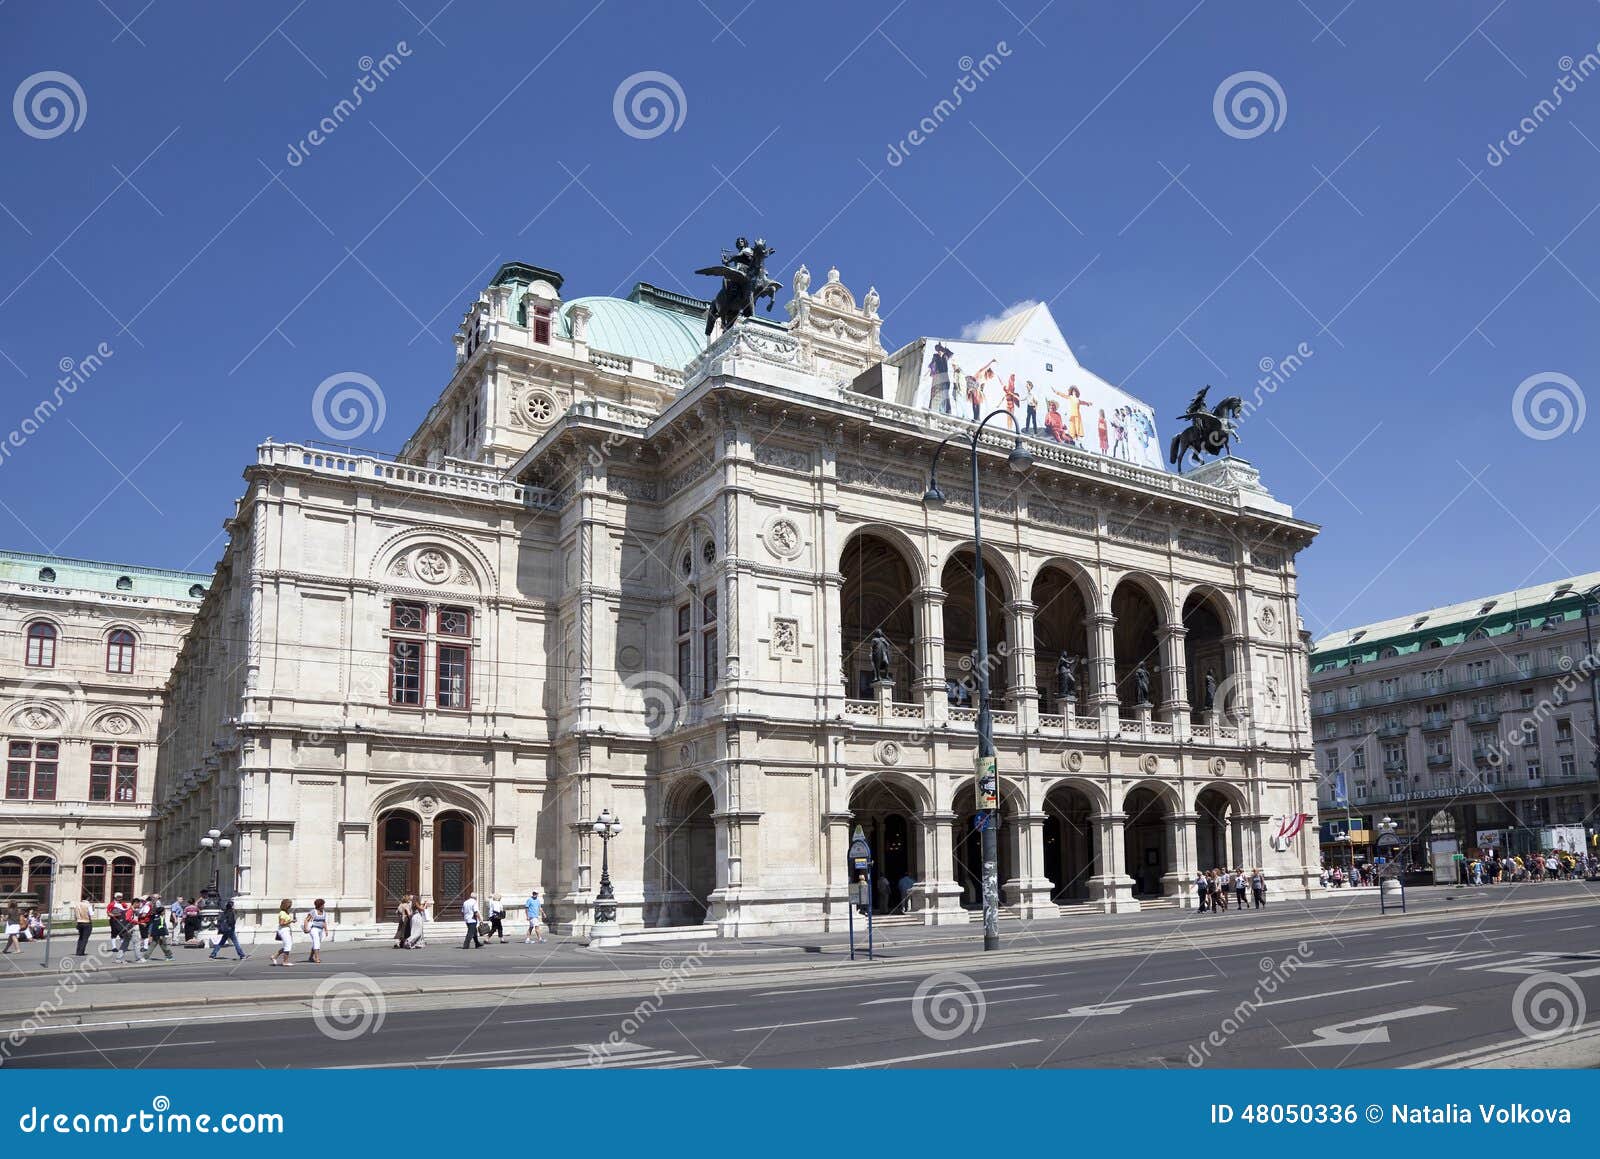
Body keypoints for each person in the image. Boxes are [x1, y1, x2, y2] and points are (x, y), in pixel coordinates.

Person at [145, 894, 174, 961]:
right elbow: (161, 927)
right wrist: (161, 935)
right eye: (163, 911)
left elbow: (154, 926)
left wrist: (152, 934)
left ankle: (145, 957)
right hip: (160, 934)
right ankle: (169, 956)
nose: (164, 912)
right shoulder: (160, 918)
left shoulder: (155, 917)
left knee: (152, 946)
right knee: (164, 946)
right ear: (161, 912)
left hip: (155, 934)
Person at [269, 898, 295, 967]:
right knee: (288, 945)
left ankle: (274, 956)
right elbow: (281, 923)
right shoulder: (282, 913)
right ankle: (285, 962)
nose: (290, 906)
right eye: (289, 905)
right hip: (283, 930)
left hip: (286, 930)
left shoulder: (285, 912)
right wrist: (291, 921)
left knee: (286, 945)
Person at [303, 898, 330, 964]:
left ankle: (310, 957)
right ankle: (317, 958)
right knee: (316, 942)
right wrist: (306, 928)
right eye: (322, 905)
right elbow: (306, 920)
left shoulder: (324, 912)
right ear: (319, 905)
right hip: (314, 929)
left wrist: (326, 930)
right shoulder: (313, 911)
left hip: (321, 929)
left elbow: (324, 922)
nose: (323, 906)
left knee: (317, 943)